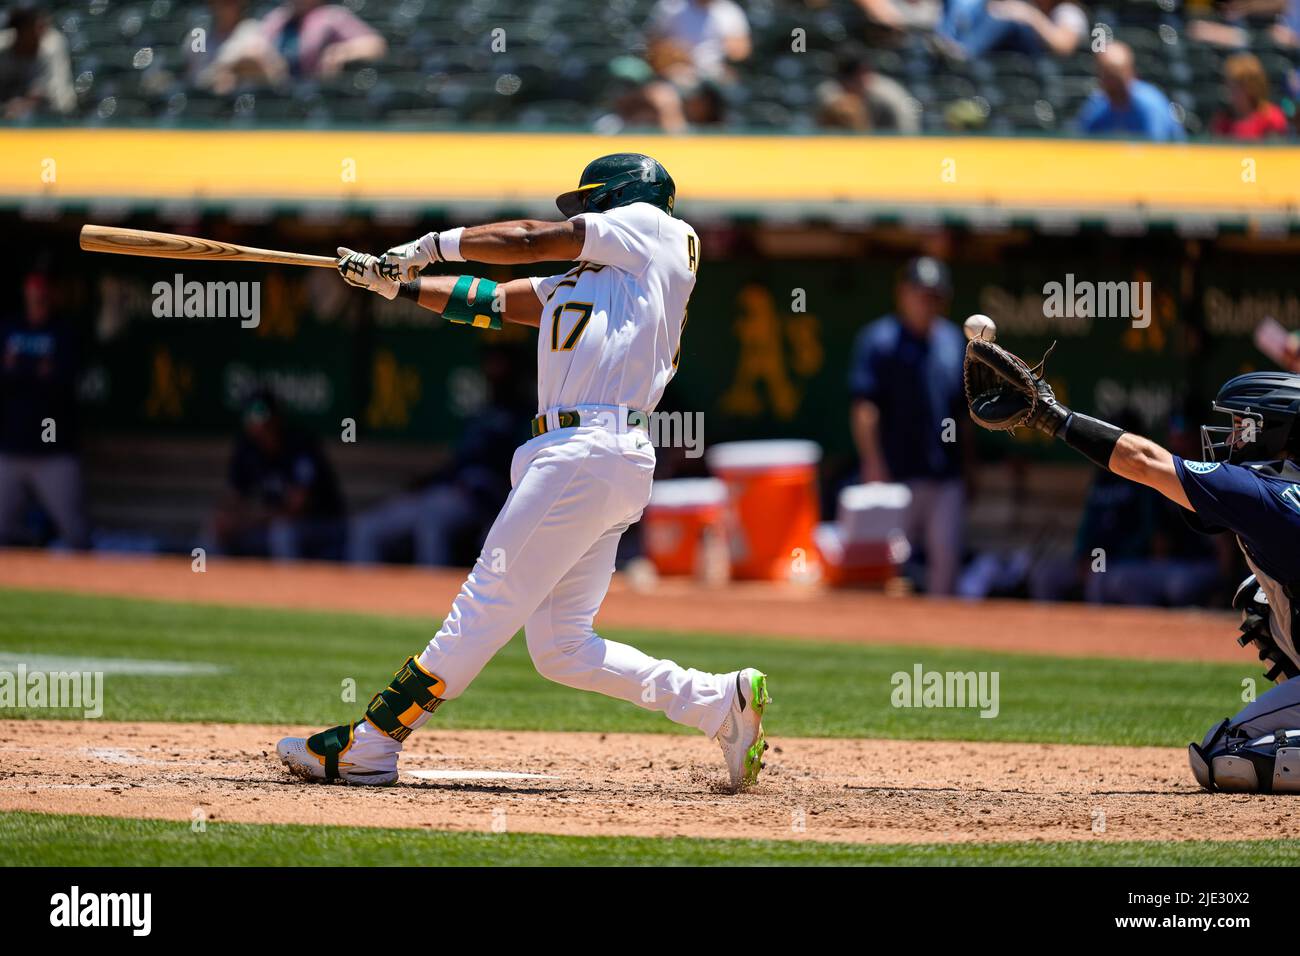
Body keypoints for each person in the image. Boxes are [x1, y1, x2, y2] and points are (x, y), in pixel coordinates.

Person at [276, 153, 770, 792]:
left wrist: (425, 247)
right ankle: (715, 702)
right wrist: (392, 282)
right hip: (591, 459)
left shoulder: (654, 231)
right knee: (562, 647)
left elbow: (532, 239)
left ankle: (371, 743)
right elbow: (487, 302)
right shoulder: (601, 283)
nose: (583, 218)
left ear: (620, 199)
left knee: (486, 599)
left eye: (590, 205)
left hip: (586, 450)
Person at [964, 337, 1300, 793]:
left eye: (1242, 424)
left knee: (1225, 755)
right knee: (1261, 602)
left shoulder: (1258, 490)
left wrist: (1052, 417)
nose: (1231, 434)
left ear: (1275, 430)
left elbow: (1144, 461)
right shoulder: (1277, 488)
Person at [848, 257, 969, 596]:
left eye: (934, 295)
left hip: (944, 477)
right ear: (903, 294)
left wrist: (969, 468)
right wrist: (873, 461)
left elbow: (962, 412)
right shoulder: (880, 340)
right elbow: (865, 407)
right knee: (889, 568)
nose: (926, 302)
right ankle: (887, 639)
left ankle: (940, 642)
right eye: (920, 293)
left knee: (945, 566)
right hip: (895, 476)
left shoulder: (952, 342)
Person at [0, 272, 87, 549]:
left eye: (43, 291)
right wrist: (35, 371)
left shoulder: (64, 331)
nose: (38, 296)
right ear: (25, 292)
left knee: (75, 533)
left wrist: (19, 369)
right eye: (33, 290)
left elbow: (61, 379)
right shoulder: (9, 327)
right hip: (10, 448)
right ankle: (33, 548)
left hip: (54, 453)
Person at [211, 389, 347, 560]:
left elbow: (296, 509)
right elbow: (233, 499)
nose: (257, 423)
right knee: (216, 531)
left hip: (322, 526)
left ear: (276, 417)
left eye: (261, 414)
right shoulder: (246, 448)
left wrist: (246, 522)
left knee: (283, 533)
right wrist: (227, 519)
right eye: (251, 416)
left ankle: (290, 587)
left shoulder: (300, 445)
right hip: (268, 524)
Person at [1075, 42, 1186, 142]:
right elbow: (1081, 143)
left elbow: (1156, 153)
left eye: (1117, 73)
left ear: (1130, 71)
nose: (1112, 81)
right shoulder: (1098, 104)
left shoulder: (1149, 104)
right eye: (1107, 74)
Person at [258, 0, 386, 80]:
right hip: (277, 92)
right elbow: (257, 49)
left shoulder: (332, 16)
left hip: (317, 93)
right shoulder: (276, 18)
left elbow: (375, 44)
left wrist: (341, 52)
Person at [939, 0, 1087, 59]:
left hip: (1044, 61)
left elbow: (1063, 46)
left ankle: (963, 51)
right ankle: (946, 39)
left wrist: (1030, 16)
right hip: (1019, 55)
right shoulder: (1031, 5)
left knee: (1008, 22)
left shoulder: (1069, 11)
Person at [0, 4, 75, 119]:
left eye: (43, 26)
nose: (42, 30)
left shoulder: (51, 45)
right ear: (19, 30)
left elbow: (45, 93)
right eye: (37, 26)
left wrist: (19, 106)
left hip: (52, 116)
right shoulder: (4, 46)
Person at [646, 0, 751, 81]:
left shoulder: (729, 11)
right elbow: (652, 42)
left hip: (714, 73)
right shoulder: (672, 6)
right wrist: (672, 49)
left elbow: (741, 52)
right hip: (676, 70)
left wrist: (734, 48)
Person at [1211, 53, 1289, 140]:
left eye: (1238, 86)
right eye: (1230, 85)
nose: (1231, 91)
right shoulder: (1222, 121)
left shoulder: (1271, 118)